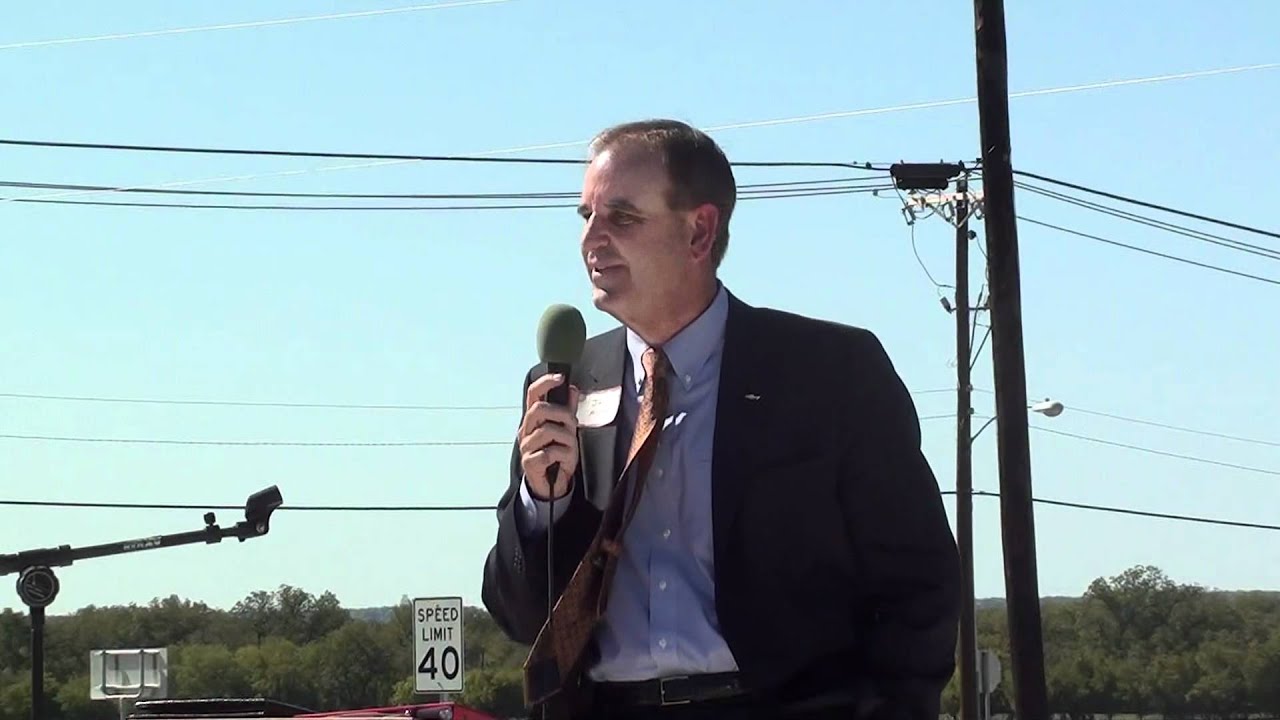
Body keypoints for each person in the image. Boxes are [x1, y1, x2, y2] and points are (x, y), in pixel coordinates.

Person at [481, 119, 960, 720]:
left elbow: (919, 584)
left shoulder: (829, 373)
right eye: (585, 217)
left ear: (699, 231)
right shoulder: (564, 384)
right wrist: (540, 503)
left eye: (622, 218)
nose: (593, 240)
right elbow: (519, 616)